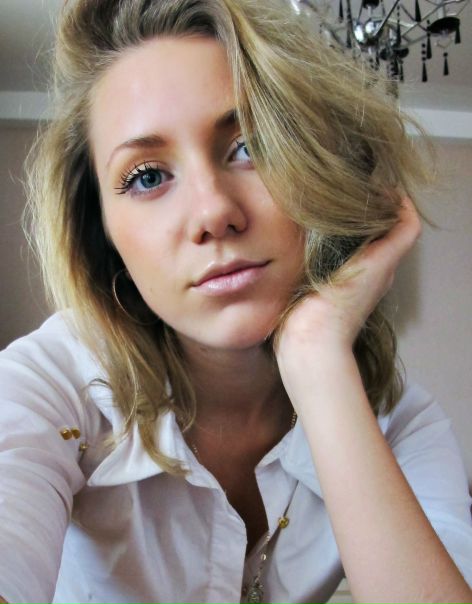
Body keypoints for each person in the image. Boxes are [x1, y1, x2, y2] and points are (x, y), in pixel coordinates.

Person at [0, 0, 471, 602]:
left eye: (250, 146)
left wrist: (316, 356)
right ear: (102, 232)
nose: (214, 212)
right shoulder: (47, 387)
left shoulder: (402, 426)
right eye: (147, 177)